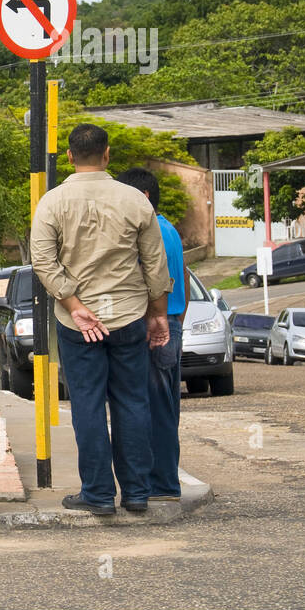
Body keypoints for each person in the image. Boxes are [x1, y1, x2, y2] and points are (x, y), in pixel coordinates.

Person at [30, 124, 173, 516]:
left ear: (71, 157)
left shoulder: (52, 202)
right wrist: (158, 315)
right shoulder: (136, 201)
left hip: (79, 324)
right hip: (128, 315)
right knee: (132, 402)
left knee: (88, 405)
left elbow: (43, 261)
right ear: (107, 154)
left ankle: (97, 492)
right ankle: (137, 492)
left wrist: (74, 304)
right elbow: (156, 266)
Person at [117, 167, 188, 502]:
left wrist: (152, 320)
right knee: (165, 406)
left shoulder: (150, 231)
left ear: (143, 198)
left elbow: (150, 280)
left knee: (150, 407)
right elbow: (183, 280)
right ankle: (166, 482)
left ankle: (159, 485)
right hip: (171, 322)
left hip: (153, 324)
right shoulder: (169, 229)